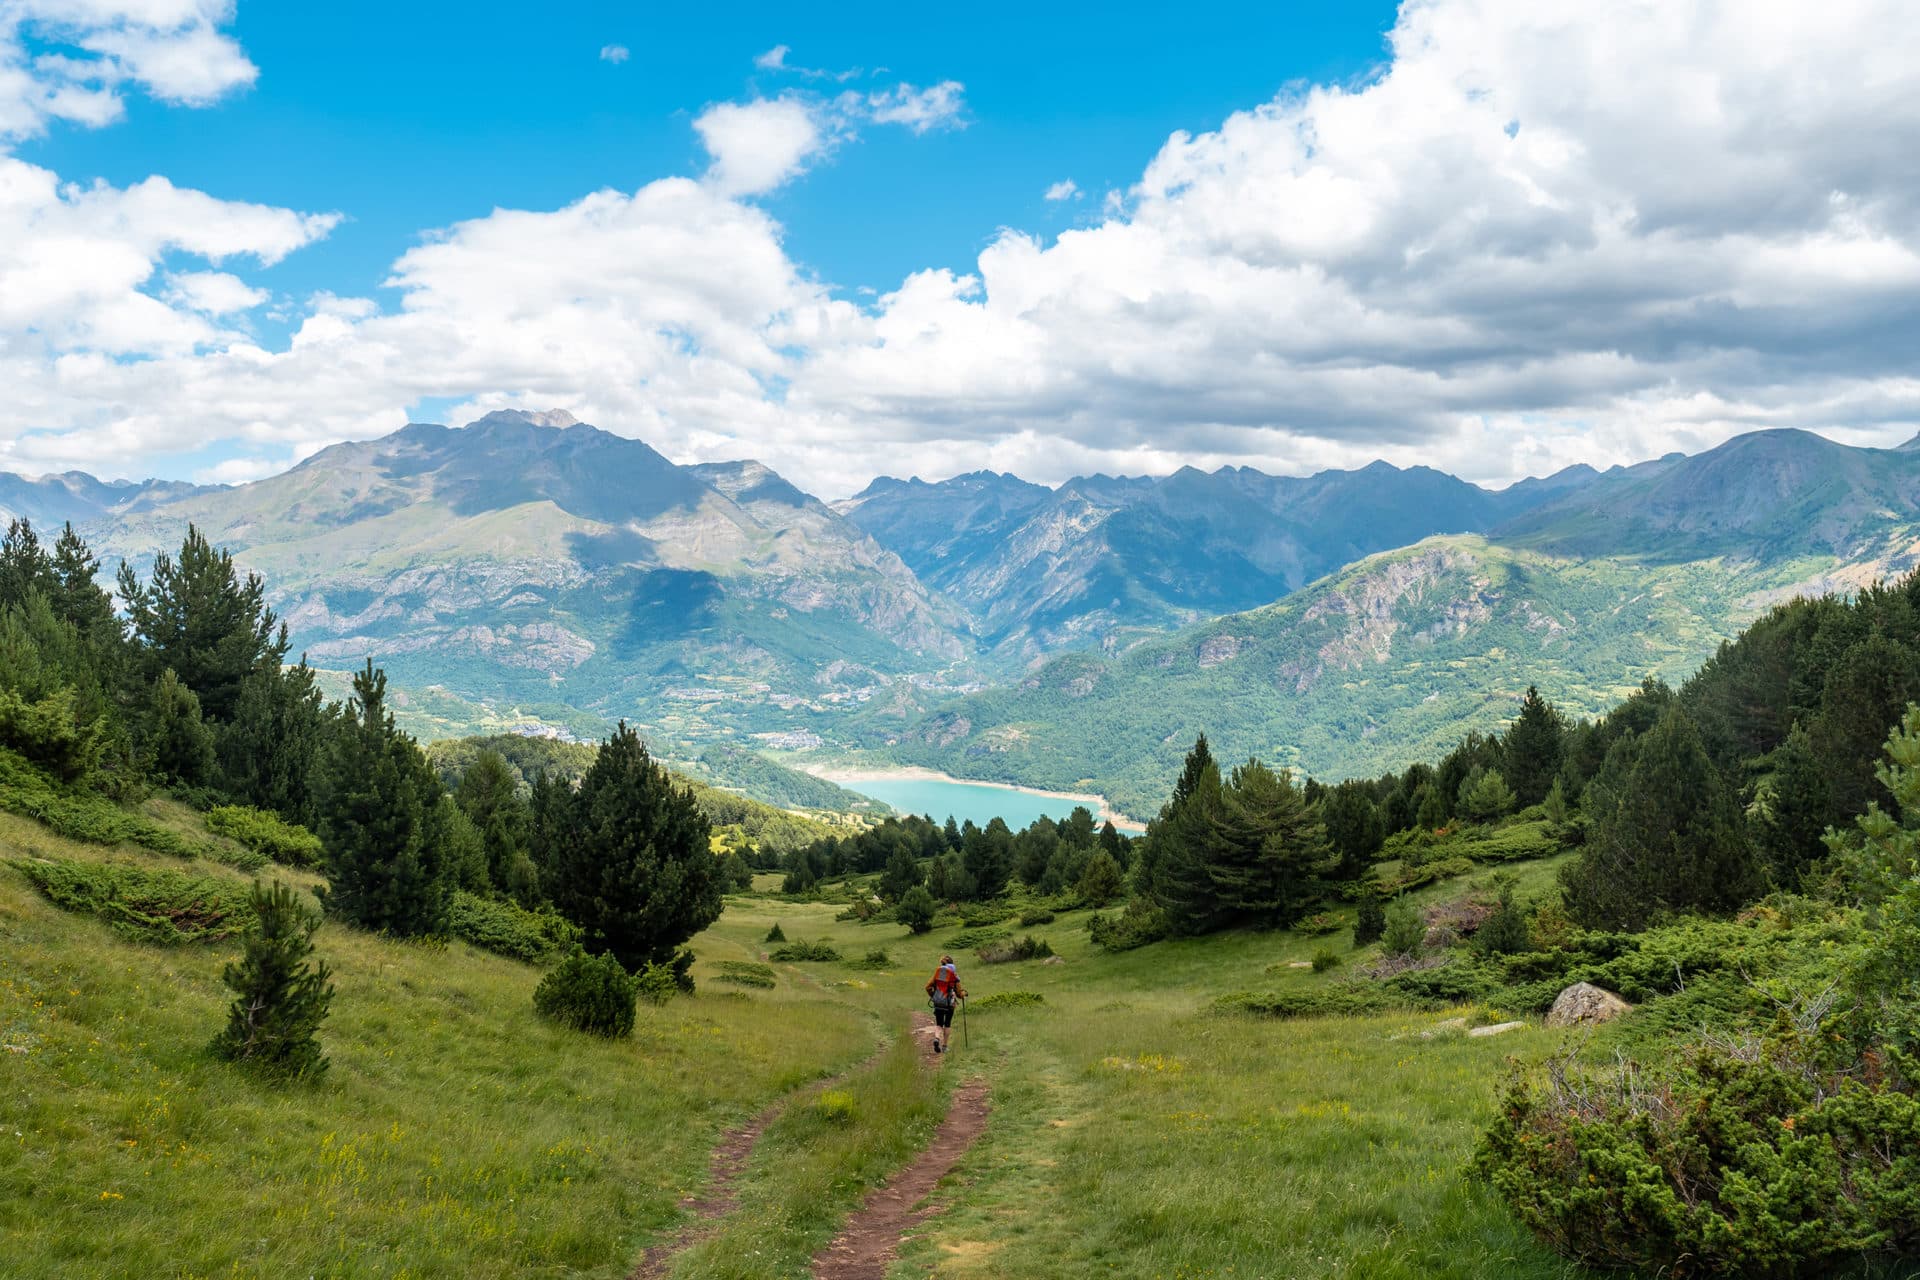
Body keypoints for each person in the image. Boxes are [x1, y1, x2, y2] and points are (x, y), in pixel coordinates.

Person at [924, 953, 965, 1053]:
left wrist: (935, 996)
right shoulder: (954, 976)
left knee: (939, 1024)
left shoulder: (937, 974)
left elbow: (927, 987)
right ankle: (945, 1046)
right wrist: (963, 994)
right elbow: (959, 993)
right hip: (950, 1004)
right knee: (947, 1024)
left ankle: (937, 1038)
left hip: (938, 1003)